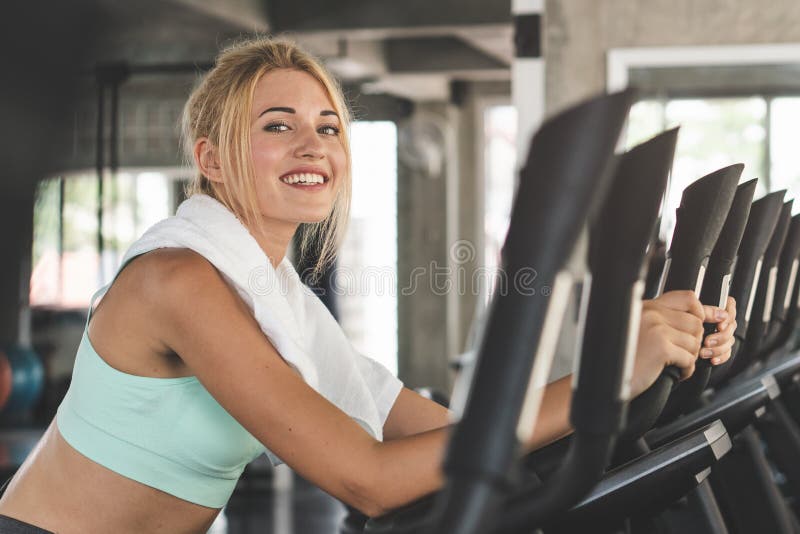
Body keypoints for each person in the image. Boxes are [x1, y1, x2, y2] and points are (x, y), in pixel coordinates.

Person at [0, 37, 736, 533]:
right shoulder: (179, 281)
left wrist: (646, 345)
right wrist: (598, 388)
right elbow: (367, 481)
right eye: (278, 125)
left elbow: (446, 436)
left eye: (328, 127)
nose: (313, 144)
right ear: (213, 160)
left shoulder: (275, 295)